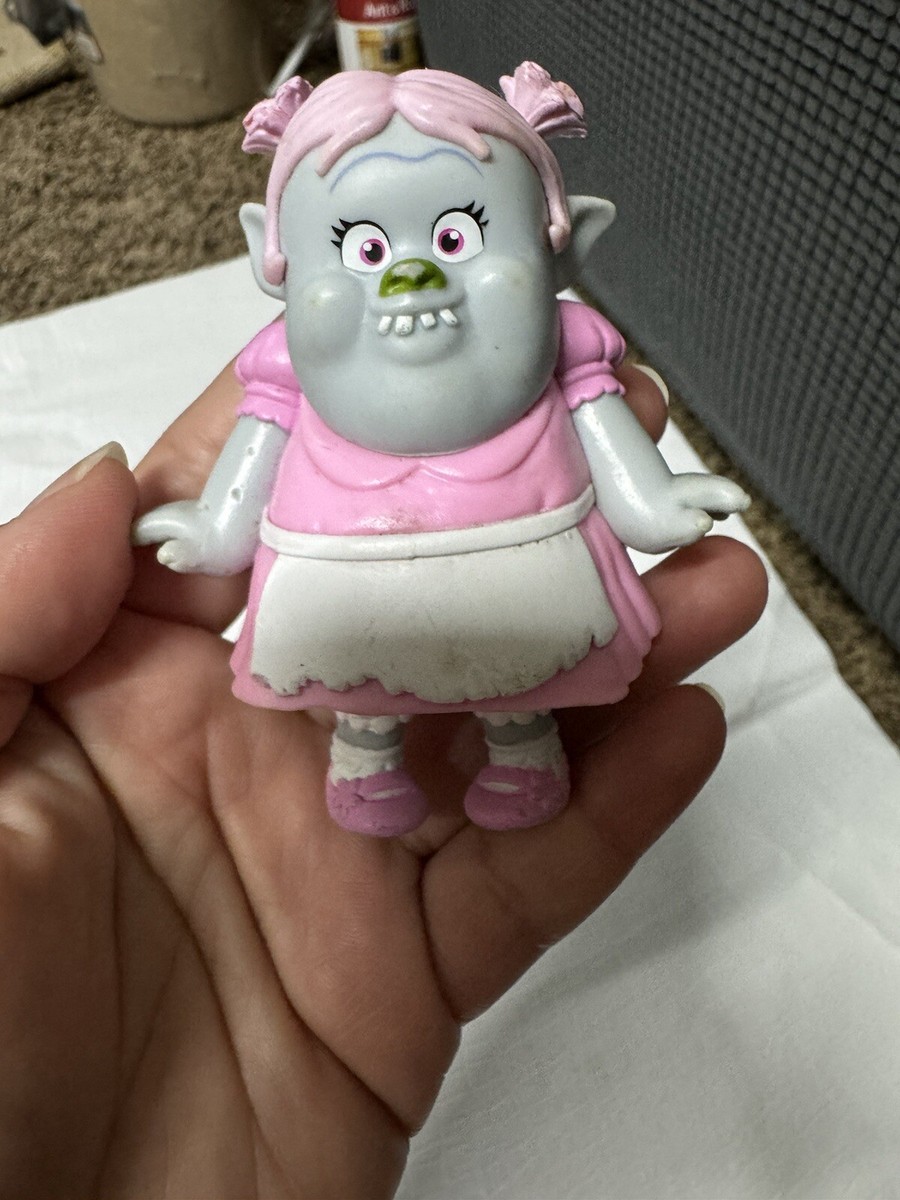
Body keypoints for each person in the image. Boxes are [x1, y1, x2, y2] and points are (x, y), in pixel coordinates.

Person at [0, 355, 766, 1197]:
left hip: (518, 544)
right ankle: (366, 767)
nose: (412, 291)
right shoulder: (296, 360)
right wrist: (218, 529)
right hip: (343, 555)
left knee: (520, 676)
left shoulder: (557, 350)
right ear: (279, 278)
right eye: (363, 267)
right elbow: (261, 435)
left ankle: (521, 756)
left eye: (460, 253)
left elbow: (598, 415)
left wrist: (652, 505)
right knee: (360, 683)